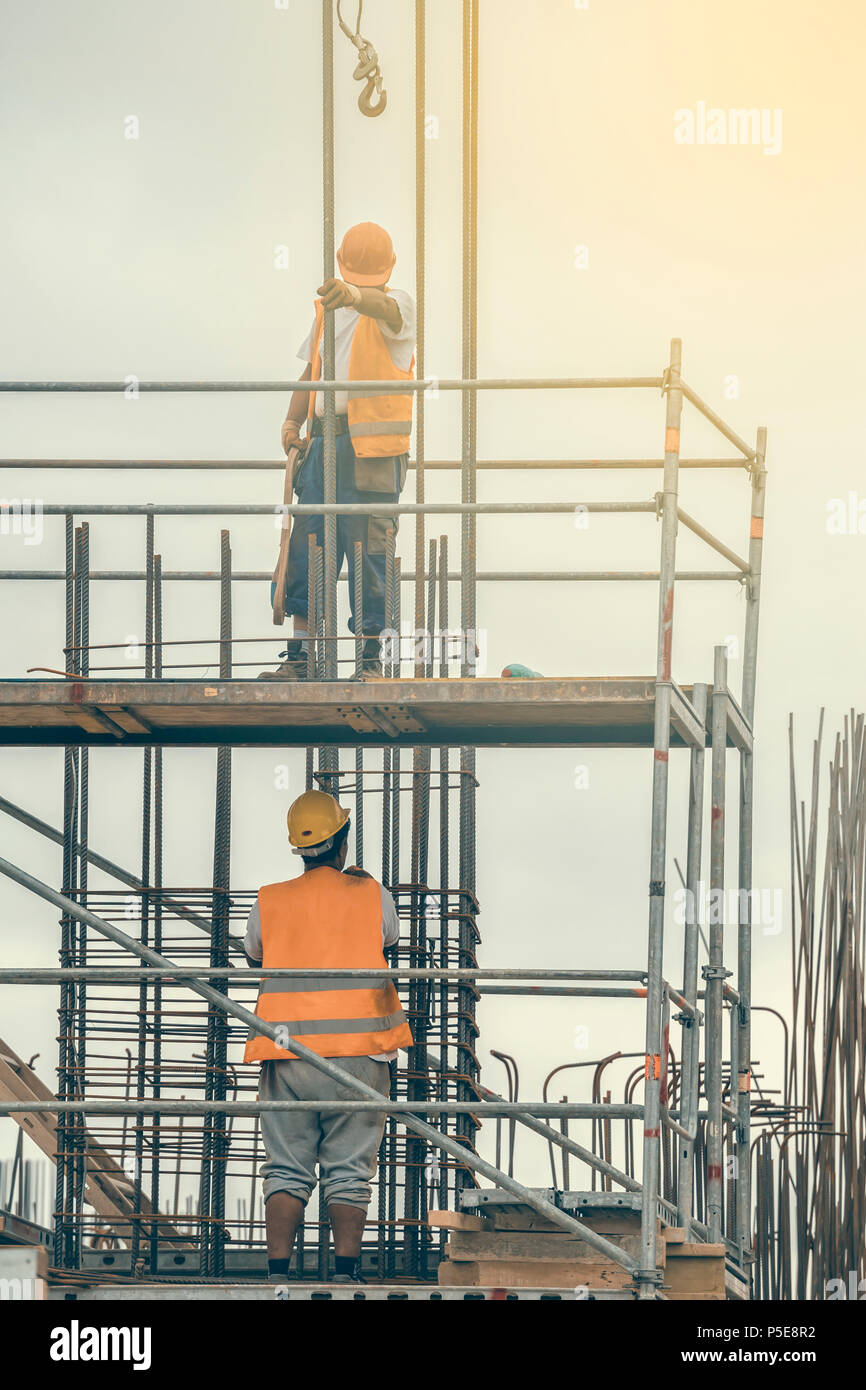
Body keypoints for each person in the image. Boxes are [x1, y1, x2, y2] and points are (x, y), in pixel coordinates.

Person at [243, 789, 413, 1283]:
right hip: (359, 1055)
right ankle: (343, 1275)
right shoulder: (372, 893)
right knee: (350, 1169)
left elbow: (254, 955)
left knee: (285, 1166)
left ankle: (278, 1277)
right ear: (343, 841)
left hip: (288, 1053)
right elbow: (390, 937)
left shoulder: (269, 899)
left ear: (298, 847)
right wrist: (361, 884)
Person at [260, 221, 416, 680]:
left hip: (374, 454)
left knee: (370, 554)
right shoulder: (327, 314)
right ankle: (301, 658)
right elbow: (313, 370)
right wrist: (293, 421)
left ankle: (371, 662)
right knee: (309, 547)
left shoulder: (398, 306)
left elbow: (384, 307)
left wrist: (353, 295)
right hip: (324, 443)